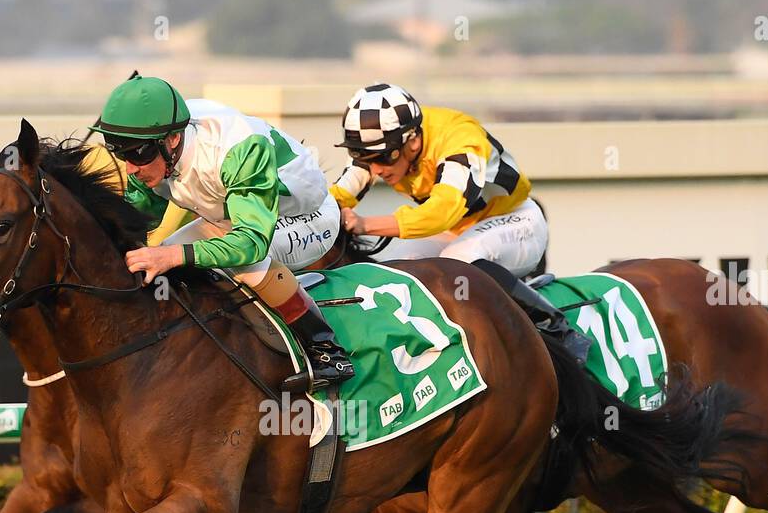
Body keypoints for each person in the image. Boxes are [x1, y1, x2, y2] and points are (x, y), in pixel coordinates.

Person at [91, 72, 354, 389]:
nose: (131, 167)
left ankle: (327, 351)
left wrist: (175, 255)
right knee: (153, 265)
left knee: (241, 262)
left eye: (138, 154)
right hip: (231, 218)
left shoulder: (237, 149)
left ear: (172, 140)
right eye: (121, 153)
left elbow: (251, 242)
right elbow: (135, 220)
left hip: (305, 217)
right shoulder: (157, 147)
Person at [331, 82, 589, 361]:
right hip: (457, 230)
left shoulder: (460, 139)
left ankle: (556, 326)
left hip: (514, 221)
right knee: (397, 271)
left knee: (459, 260)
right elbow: (339, 194)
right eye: (365, 159)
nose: (377, 169)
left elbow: (442, 213)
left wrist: (365, 225)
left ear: (413, 141)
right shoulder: (386, 141)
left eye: (383, 158)